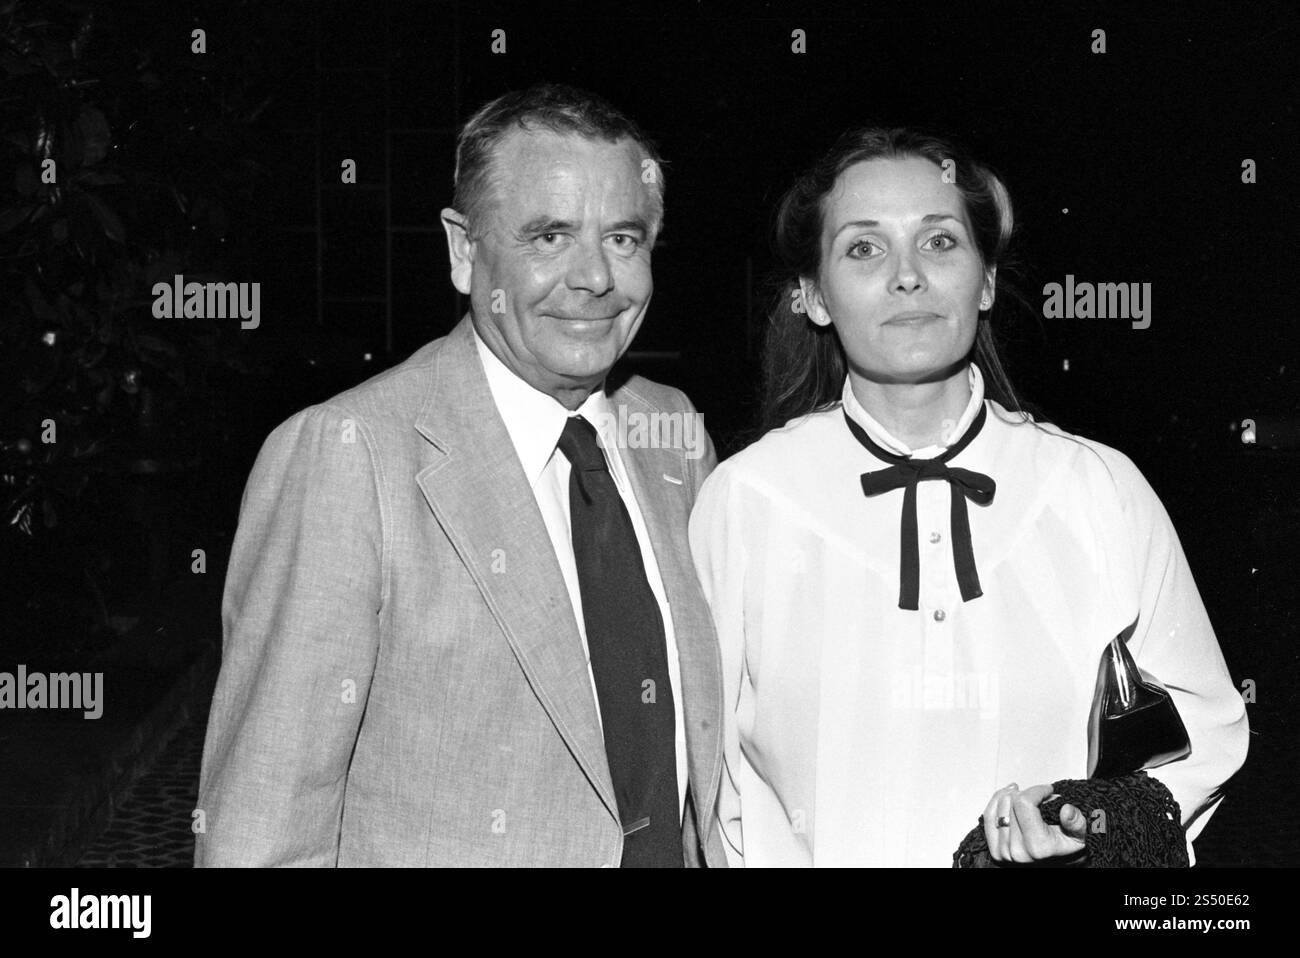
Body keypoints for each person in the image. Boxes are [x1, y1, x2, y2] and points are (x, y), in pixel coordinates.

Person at [195, 83, 726, 867]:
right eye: (548, 235)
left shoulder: (673, 436)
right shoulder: (348, 455)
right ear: (464, 251)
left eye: (623, 237)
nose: (594, 277)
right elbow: (262, 828)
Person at [688, 126, 1249, 867]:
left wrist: (1092, 825)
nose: (907, 276)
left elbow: (1207, 730)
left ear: (984, 282)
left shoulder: (1096, 488)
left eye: (939, 241)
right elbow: (709, 782)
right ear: (814, 297)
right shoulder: (747, 499)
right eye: (864, 248)